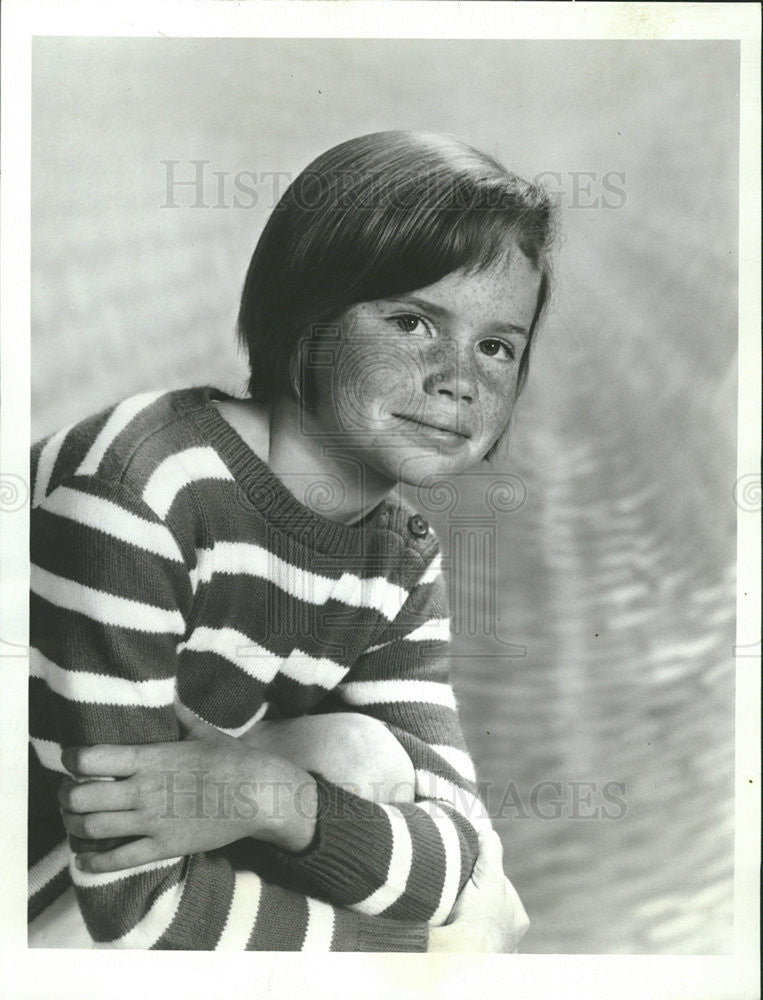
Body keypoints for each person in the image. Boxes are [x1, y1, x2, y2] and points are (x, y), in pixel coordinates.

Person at [28, 130, 556, 951]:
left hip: (104, 888)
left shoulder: (396, 557)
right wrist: (425, 961)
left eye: (495, 346)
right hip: (41, 897)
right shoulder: (141, 491)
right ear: (306, 317)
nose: (459, 378)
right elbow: (128, 909)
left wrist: (275, 800)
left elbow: (465, 856)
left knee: (358, 756)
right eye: (412, 322)